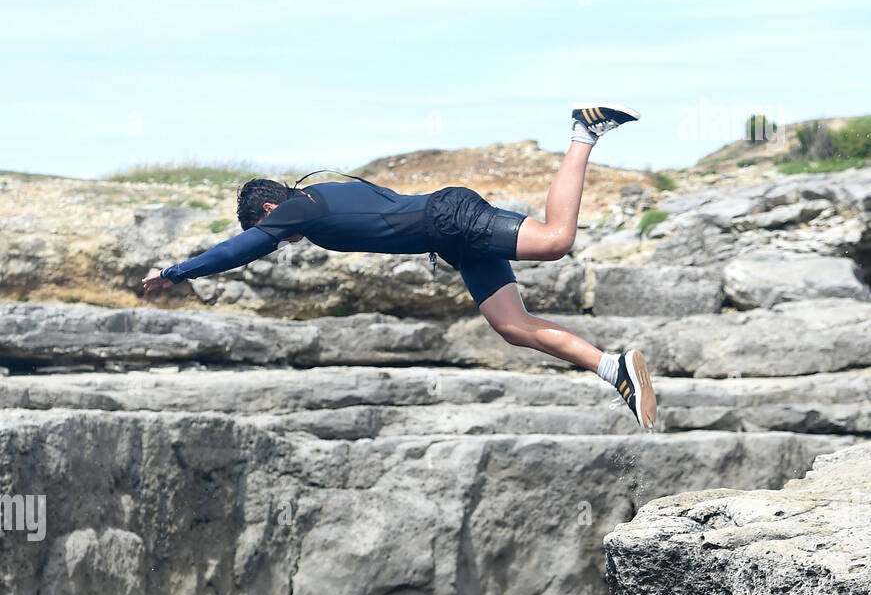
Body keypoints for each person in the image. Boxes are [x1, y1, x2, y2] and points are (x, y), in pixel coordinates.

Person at [143, 103, 656, 429]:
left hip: (450, 217)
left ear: (271, 210)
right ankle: (613, 370)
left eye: (269, 227)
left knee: (555, 239)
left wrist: (175, 272)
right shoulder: (324, 198)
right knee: (511, 326)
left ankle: (583, 131)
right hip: (451, 237)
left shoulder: (299, 207)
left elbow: (238, 249)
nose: (279, 239)